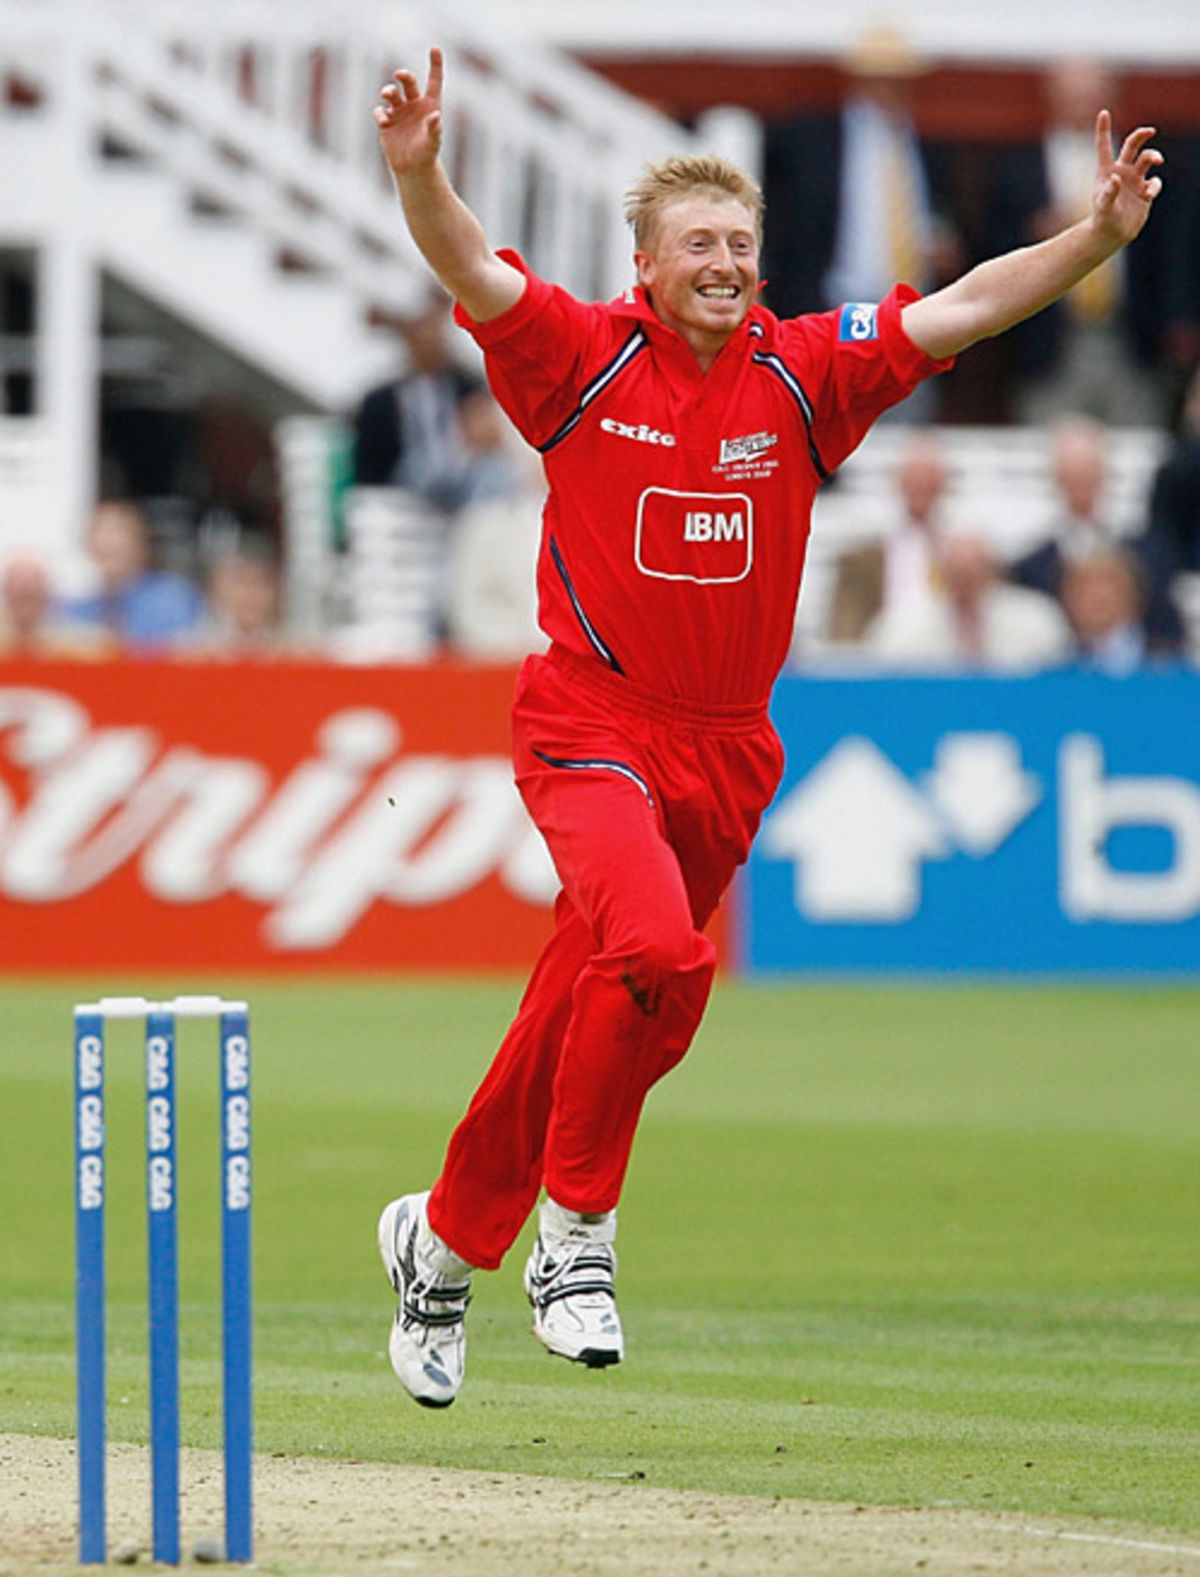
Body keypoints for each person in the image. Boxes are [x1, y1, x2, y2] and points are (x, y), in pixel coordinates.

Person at [371, 47, 1163, 1409]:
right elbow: (472, 275)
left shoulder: (802, 375)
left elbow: (965, 308)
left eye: (742, 240)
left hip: (729, 749)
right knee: (655, 951)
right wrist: (419, 171)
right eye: (700, 244)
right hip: (591, 722)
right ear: (646, 260)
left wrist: (1092, 236)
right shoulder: (578, 355)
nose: (728, 261)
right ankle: (576, 1240)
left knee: (607, 1004)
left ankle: (439, 1242)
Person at [868, 528, 1073, 671]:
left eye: (973, 573)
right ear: (943, 574)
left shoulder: (1036, 619)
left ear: (991, 571)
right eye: (958, 573)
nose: (966, 583)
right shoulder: (903, 627)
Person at [826, 430, 950, 644]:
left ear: (942, 487)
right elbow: (843, 631)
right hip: (879, 661)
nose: (921, 490)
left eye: (929, 482)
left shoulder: (963, 554)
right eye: (914, 482)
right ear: (899, 484)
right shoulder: (861, 559)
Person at [62, 498, 204, 652]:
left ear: (140, 541)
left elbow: (186, 650)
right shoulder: (76, 609)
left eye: (118, 531)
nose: (107, 542)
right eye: (98, 531)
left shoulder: (175, 598)